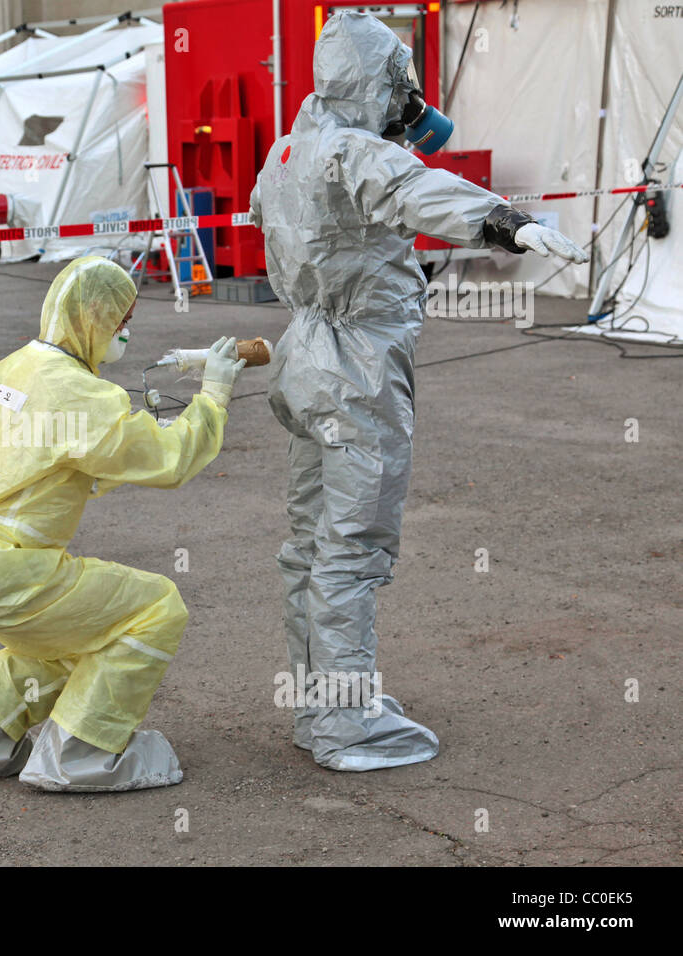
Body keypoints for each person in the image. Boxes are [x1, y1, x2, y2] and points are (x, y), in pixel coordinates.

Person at [250, 11, 589, 771]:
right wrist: (509, 225)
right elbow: (420, 188)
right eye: (396, 82)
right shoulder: (359, 153)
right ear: (377, 81)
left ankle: (321, 699)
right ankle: (345, 722)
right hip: (357, 367)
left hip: (306, 352)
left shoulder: (287, 149)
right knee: (352, 545)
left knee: (308, 543)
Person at [0, 256, 246, 792]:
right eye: (121, 322)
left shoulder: (13, 368)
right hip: (9, 569)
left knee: (81, 627)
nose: (126, 334)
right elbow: (171, 461)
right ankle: (80, 751)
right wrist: (214, 399)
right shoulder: (79, 391)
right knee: (155, 608)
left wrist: (133, 438)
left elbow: (48, 461)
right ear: (94, 318)